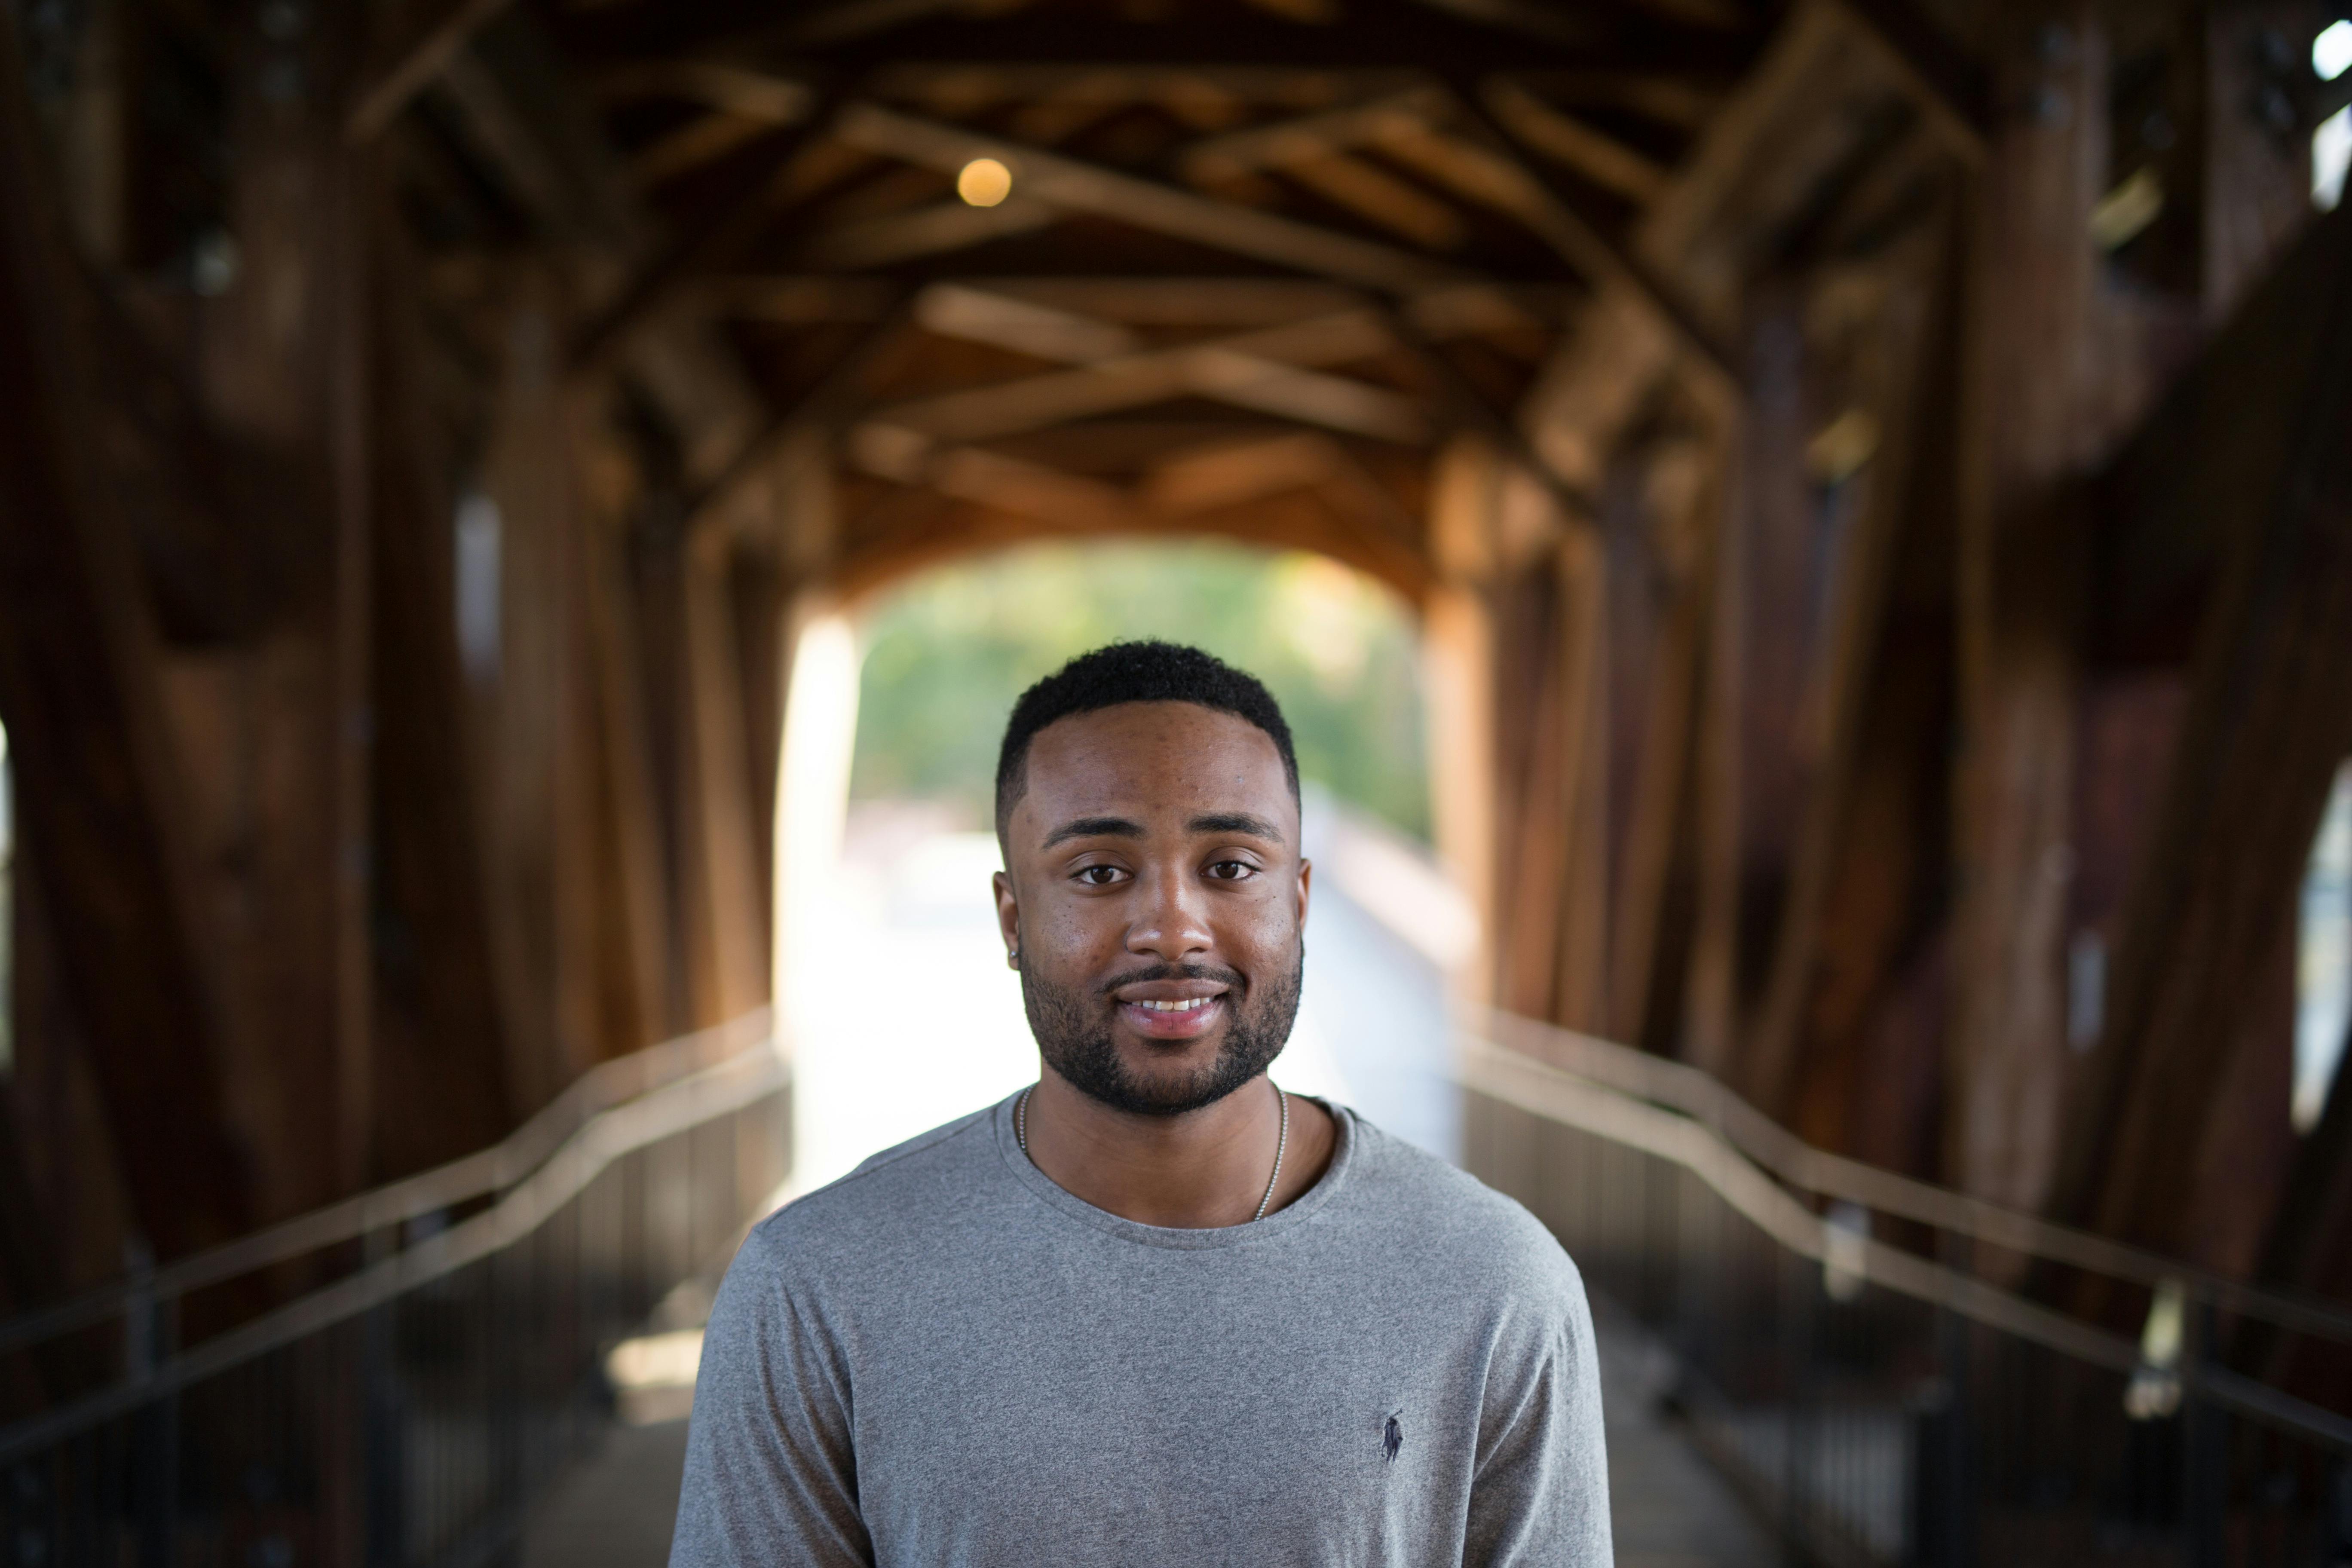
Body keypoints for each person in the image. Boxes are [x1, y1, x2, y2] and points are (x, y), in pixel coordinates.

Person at [670, 640, 1611, 1566]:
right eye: (1098, 873)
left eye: (1232, 867)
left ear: (1301, 899)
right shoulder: (817, 1288)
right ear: (1012, 918)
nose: (1170, 929)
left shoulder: (1495, 1285)